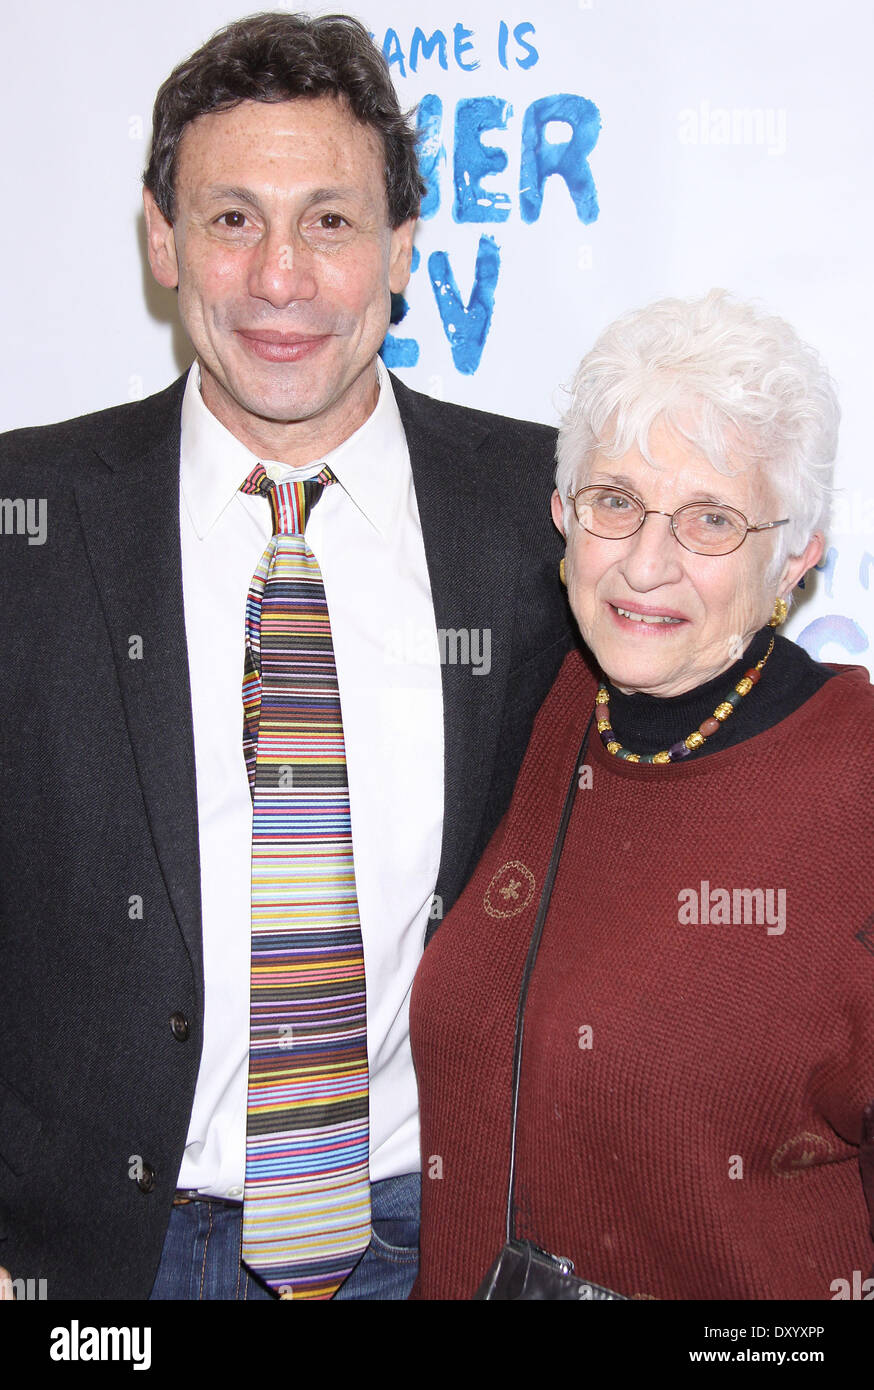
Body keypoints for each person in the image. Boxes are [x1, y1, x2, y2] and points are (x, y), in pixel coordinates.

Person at [0, 12, 572, 1301]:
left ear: (400, 250)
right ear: (161, 239)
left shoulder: (546, 516)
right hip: (86, 1256)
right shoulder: (23, 518)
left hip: (415, 1239)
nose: (279, 278)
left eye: (328, 220)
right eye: (231, 218)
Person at [410, 290, 874, 1300]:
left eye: (711, 519)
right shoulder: (535, 707)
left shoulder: (856, 782)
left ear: (795, 555)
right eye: (615, 501)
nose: (647, 562)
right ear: (563, 518)